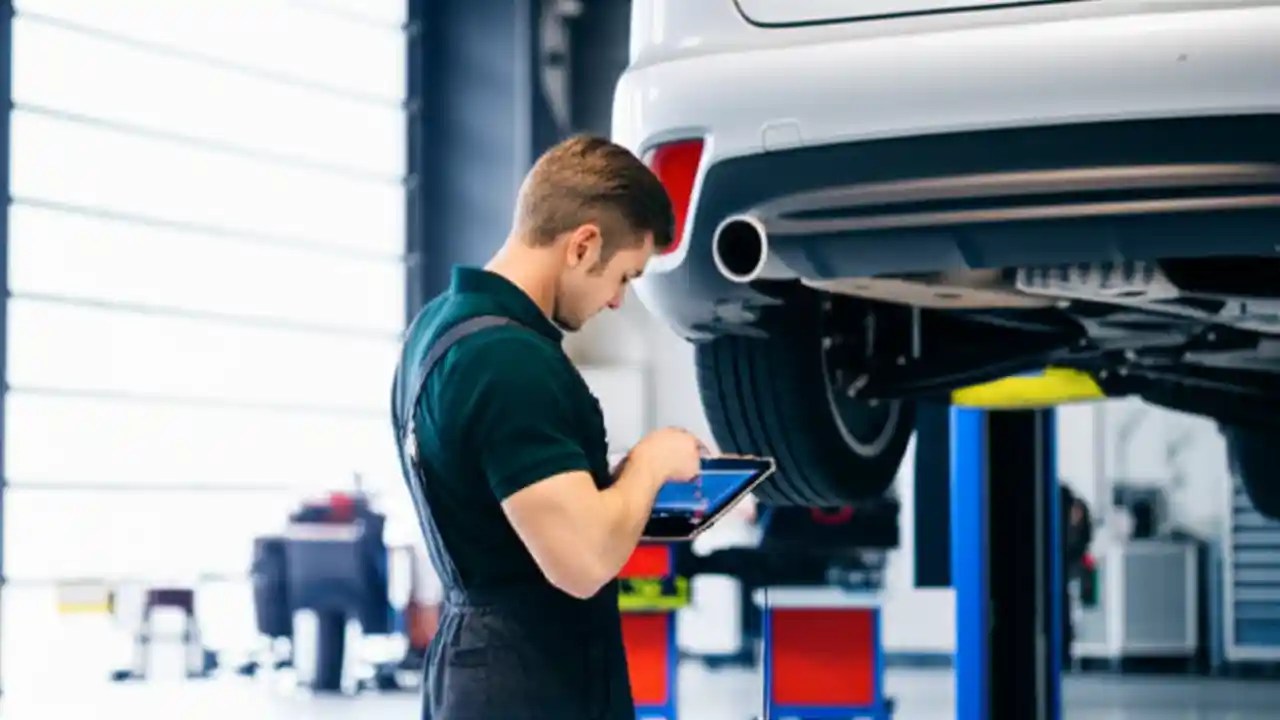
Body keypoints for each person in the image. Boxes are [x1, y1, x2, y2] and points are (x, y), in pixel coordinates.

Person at [390, 134, 705, 719]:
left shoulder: (435, 330)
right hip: (530, 681)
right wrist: (652, 462)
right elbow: (582, 563)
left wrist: (608, 489)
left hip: (479, 664)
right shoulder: (509, 360)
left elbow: (496, 505)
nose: (616, 302)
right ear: (583, 245)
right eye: (626, 277)